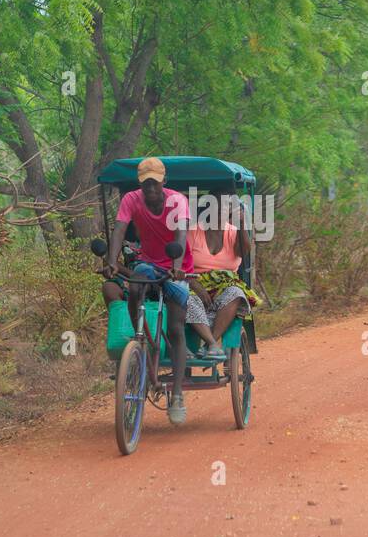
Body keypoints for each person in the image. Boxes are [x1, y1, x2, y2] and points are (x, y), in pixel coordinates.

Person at [103, 157, 192, 424]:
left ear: (164, 181)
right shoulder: (131, 199)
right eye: (146, 184)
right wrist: (111, 262)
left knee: (176, 328)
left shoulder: (177, 201)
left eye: (155, 183)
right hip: (149, 263)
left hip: (177, 267)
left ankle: (176, 394)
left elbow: (181, 235)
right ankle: (140, 337)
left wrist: (176, 267)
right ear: (140, 184)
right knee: (135, 285)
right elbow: (119, 230)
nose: (150, 189)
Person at [184, 196, 260, 358]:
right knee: (186, 298)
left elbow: (244, 251)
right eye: (216, 207)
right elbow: (183, 265)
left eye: (225, 208)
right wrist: (195, 285)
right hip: (195, 282)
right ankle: (212, 343)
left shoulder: (233, 232)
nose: (220, 212)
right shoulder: (193, 231)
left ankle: (210, 344)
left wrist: (241, 224)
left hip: (225, 285)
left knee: (236, 293)